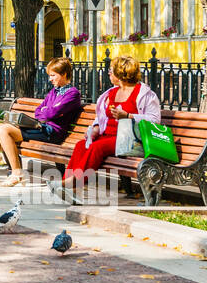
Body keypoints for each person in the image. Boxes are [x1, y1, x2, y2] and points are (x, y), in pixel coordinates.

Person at [0, 57, 83, 187]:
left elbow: (51, 113)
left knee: (3, 130)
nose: (50, 79)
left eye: (53, 75)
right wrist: (48, 111)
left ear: (64, 74)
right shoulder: (53, 92)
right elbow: (38, 111)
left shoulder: (72, 94)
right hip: (42, 127)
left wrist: (48, 111)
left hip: (52, 132)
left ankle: (17, 173)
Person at [63, 54, 162, 186]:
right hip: (107, 136)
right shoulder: (111, 93)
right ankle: (66, 184)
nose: (109, 73)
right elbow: (101, 116)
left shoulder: (144, 94)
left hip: (131, 140)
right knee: (81, 145)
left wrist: (128, 116)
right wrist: (96, 128)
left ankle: (74, 182)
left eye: (111, 70)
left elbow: (155, 120)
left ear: (121, 74)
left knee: (98, 147)